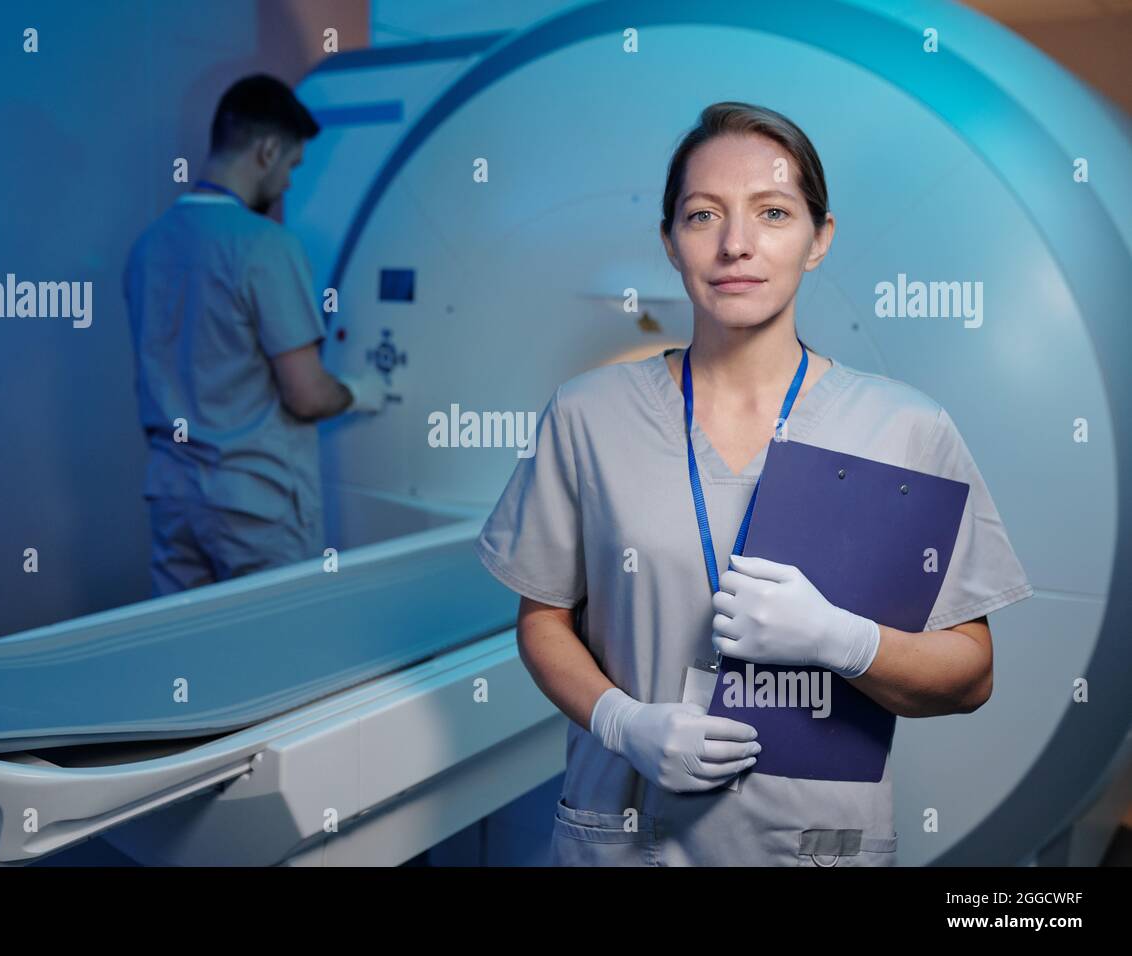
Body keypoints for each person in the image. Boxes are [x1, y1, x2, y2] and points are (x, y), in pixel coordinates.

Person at [473, 102, 1034, 866]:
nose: (736, 245)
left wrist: (844, 640)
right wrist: (620, 721)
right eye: (704, 216)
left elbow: (971, 674)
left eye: (773, 212)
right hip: (627, 835)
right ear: (670, 243)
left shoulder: (904, 429)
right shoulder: (587, 417)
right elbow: (542, 619)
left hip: (816, 848)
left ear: (819, 239)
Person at [125, 74, 388, 598]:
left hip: (173, 500)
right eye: (292, 165)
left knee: (188, 660)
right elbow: (308, 394)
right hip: (253, 506)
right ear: (267, 151)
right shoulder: (265, 246)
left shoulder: (148, 247)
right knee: (278, 665)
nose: (289, 183)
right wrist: (360, 390)